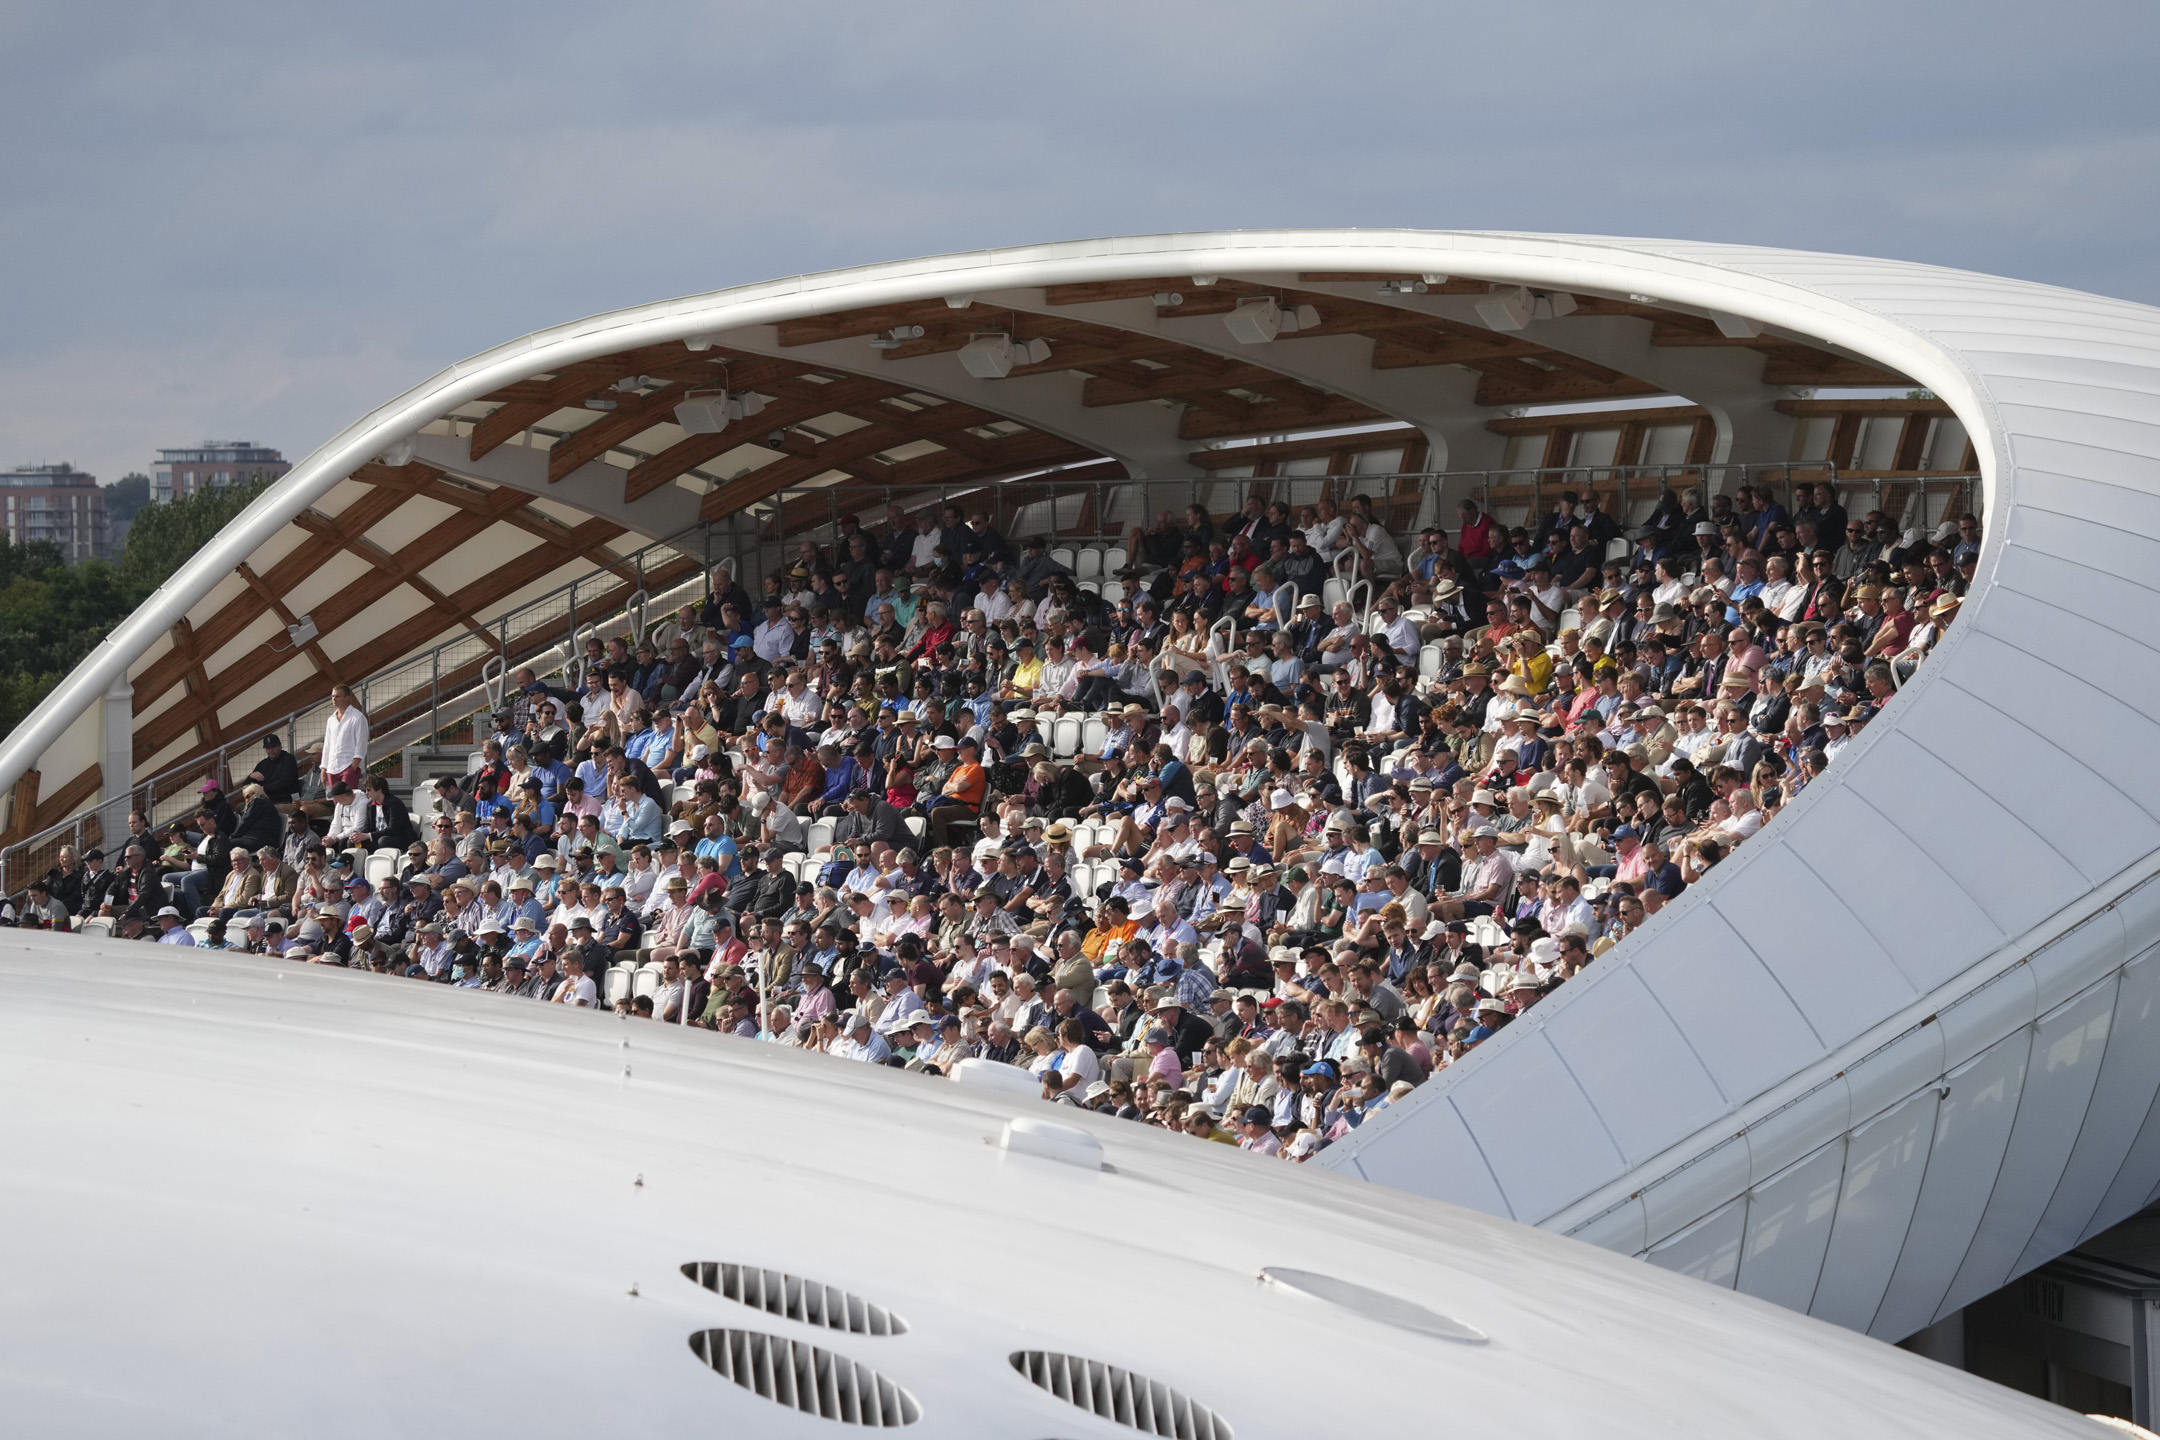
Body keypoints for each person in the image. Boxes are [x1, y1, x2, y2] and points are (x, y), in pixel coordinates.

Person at [320, 683, 370, 793]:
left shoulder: (358, 717)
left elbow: (361, 743)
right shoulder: (331, 720)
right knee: (337, 802)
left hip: (348, 765)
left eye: (337, 696)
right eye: (333, 696)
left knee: (348, 800)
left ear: (347, 698)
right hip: (332, 767)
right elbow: (327, 745)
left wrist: (354, 766)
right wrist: (324, 768)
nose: (334, 699)